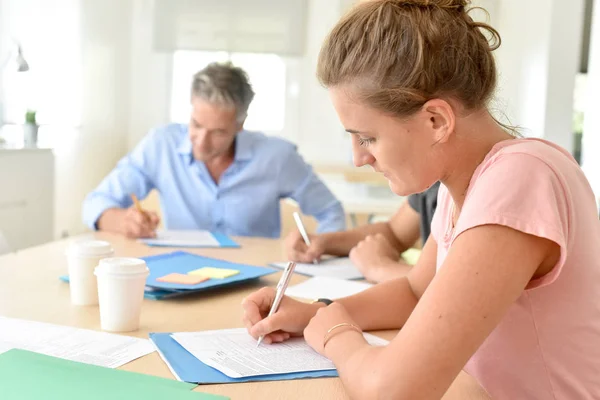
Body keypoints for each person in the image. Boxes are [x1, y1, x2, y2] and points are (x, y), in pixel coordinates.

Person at [241, 1, 600, 398]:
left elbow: (393, 391)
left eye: (368, 137)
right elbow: (416, 293)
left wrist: (336, 334)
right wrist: (314, 312)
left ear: (436, 121)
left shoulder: (521, 178)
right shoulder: (463, 186)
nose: (360, 157)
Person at [82, 62, 346, 239]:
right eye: (196, 124)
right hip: (180, 279)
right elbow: (95, 203)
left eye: (218, 132)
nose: (201, 141)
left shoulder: (277, 158)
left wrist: (319, 246)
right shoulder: (160, 145)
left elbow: (331, 212)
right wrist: (122, 221)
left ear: (240, 124)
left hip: (256, 285)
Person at [285, 182, 439, 282]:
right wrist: (324, 242)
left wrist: (381, 268)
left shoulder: (460, 192)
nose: (360, 160)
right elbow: (394, 234)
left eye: (369, 138)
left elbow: (455, 287)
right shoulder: (432, 183)